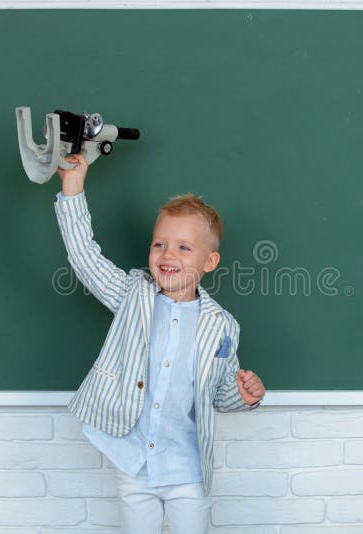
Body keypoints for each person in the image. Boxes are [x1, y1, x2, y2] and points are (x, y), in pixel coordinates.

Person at [54, 153, 266, 534]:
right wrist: (72, 187)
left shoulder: (222, 326)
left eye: (184, 248)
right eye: (159, 245)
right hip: (134, 462)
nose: (168, 255)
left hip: (186, 469)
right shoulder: (132, 295)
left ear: (209, 262)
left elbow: (220, 394)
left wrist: (244, 395)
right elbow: (85, 258)